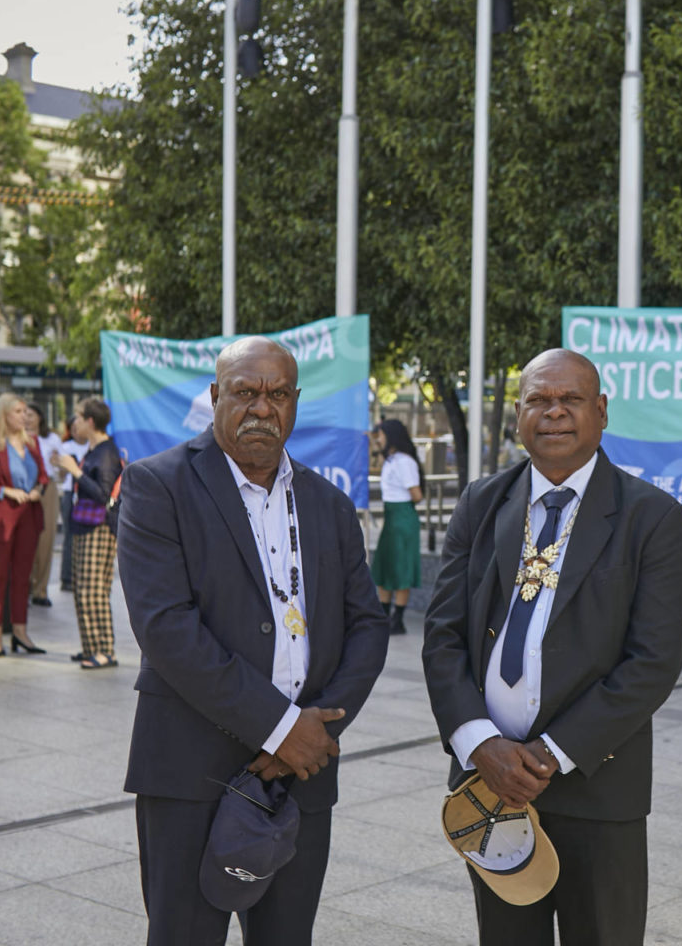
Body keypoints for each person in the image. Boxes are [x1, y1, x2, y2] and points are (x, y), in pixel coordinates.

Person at [116, 336, 389, 946]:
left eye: (277, 394)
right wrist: (280, 726)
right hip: (189, 771)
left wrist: (317, 733)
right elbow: (166, 627)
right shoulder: (156, 487)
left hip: (302, 773)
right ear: (216, 397)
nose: (262, 408)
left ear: (295, 403)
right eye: (244, 392)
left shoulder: (331, 504)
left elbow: (368, 625)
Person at [422, 348, 682, 945]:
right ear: (518, 415)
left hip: (598, 786)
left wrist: (550, 753)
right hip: (489, 787)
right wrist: (480, 743)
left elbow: (653, 662)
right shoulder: (481, 503)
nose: (554, 413)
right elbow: (441, 638)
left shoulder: (651, 518)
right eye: (539, 400)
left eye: (570, 400)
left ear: (600, 412)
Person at [50, 397, 123, 669]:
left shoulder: (105, 452)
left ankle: (104, 651)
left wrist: (75, 473)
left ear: (91, 421)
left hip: (98, 527)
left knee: (93, 590)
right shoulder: (94, 450)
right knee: (83, 590)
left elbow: (104, 495)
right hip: (85, 525)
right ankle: (90, 647)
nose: (74, 423)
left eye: (78, 418)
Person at [0, 393, 50, 656]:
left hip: (29, 516)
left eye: (25, 412)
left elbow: (42, 475)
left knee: (22, 578)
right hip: (0, 518)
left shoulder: (33, 443)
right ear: (3, 415)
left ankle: (20, 632)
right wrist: (6, 492)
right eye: (18, 411)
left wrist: (39, 489)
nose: (24, 416)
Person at [370, 418, 425, 634]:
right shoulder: (391, 460)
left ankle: (397, 619)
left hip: (402, 519)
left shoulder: (404, 462)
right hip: (392, 518)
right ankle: (384, 615)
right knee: (386, 567)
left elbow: (417, 495)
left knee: (401, 568)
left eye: (382, 435)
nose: (379, 439)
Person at [28, 410, 63, 607]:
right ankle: (23, 587)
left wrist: (58, 464)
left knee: (46, 539)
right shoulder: (18, 437)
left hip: (47, 487)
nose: (26, 418)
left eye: (31, 414)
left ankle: (40, 589)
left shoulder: (51, 439)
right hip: (24, 487)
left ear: (40, 417)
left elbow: (62, 472)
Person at [56, 416, 88, 594]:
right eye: (73, 427)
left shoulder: (94, 447)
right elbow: (61, 476)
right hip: (70, 493)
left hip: (86, 494)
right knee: (69, 536)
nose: (76, 431)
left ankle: (81, 575)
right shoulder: (66, 447)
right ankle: (66, 577)